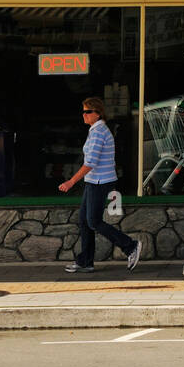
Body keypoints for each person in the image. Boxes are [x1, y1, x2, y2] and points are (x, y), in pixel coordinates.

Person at [59, 97, 141, 273]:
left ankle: (130, 246)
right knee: (84, 221)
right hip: (93, 181)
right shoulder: (95, 130)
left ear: (97, 114)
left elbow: (90, 163)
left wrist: (71, 181)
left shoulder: (98, 132)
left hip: (99, 182)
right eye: (83, 111)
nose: (84, 114)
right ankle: (86, 261)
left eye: (88, 111)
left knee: (94, 221)